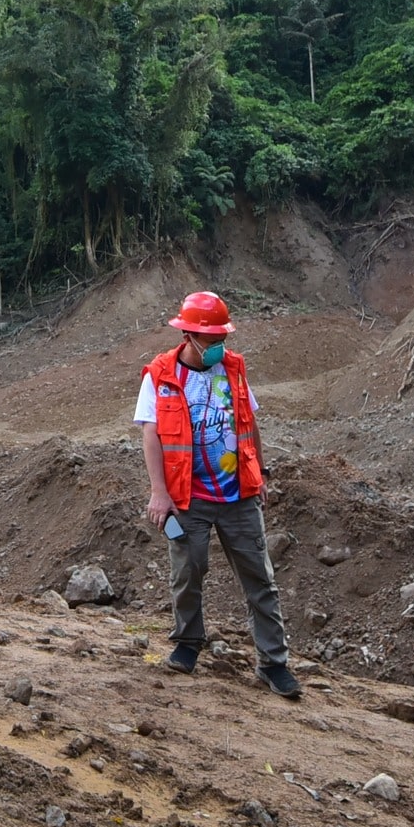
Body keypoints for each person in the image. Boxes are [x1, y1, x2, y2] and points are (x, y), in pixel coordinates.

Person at [136, 290, 301, 698]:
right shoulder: (160, 375)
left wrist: (259, 473)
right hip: (187, 497)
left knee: (260, 579)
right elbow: (150, 435)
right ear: (189, 336)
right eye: (211, 341)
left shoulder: (234, 369)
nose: (217, 347)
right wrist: (159, 493)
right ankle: (188, 642)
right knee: (188, 572)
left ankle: (273, 664)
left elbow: (249, 422)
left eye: (220, 339)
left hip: (238, 495)